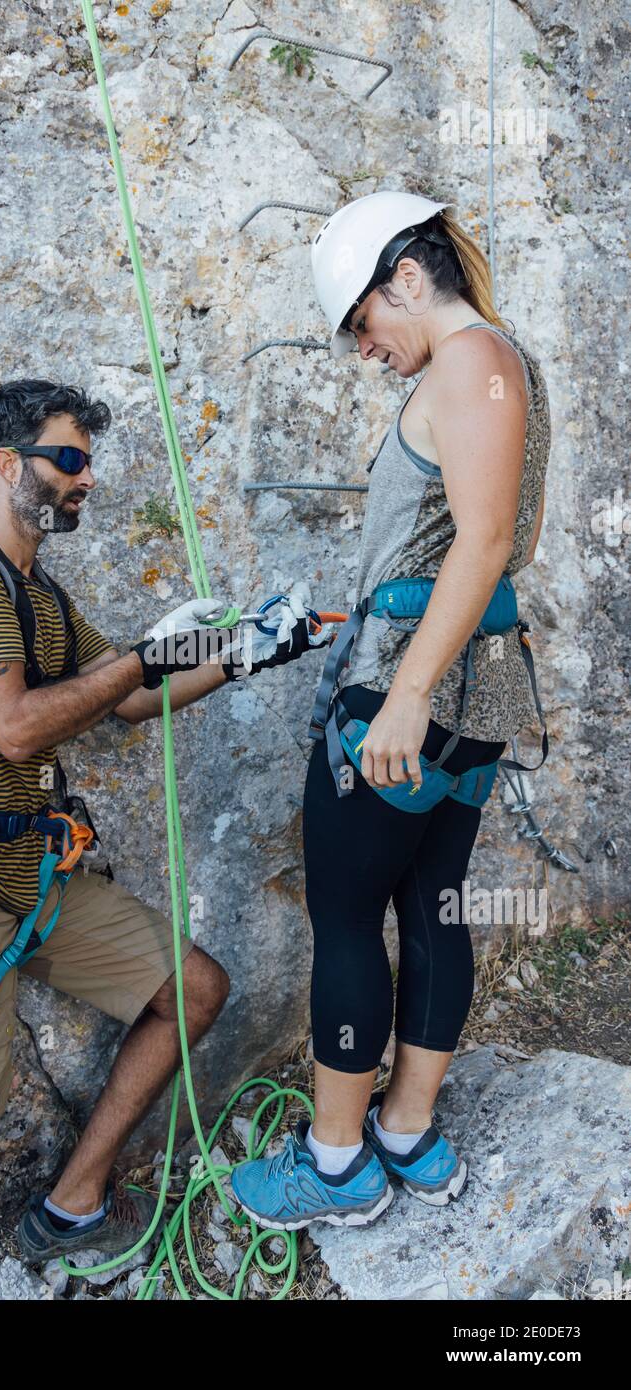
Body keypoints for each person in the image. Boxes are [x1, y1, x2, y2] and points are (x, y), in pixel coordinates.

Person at [0, 379, 318, 1298]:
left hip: (36, 876)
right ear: (9, 464)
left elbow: (126, 696)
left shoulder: (36, 594)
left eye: (88, 464)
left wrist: (248, 650)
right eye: (68, 460)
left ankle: (73, 1202)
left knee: (193, 991)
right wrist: (148, 654)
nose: (85, 480)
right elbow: (18, 728)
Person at [232, 190, 550, 1229]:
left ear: (403, 277)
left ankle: (333, 1166)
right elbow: (499, 541)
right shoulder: (510, 366)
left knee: (342, 915)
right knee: (435, 898)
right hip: (484, 668)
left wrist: (404, 686)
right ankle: (406, 1133)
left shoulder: (466, 359)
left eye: (363, 326)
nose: (366, 351)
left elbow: (483, 539)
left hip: (413, 680)